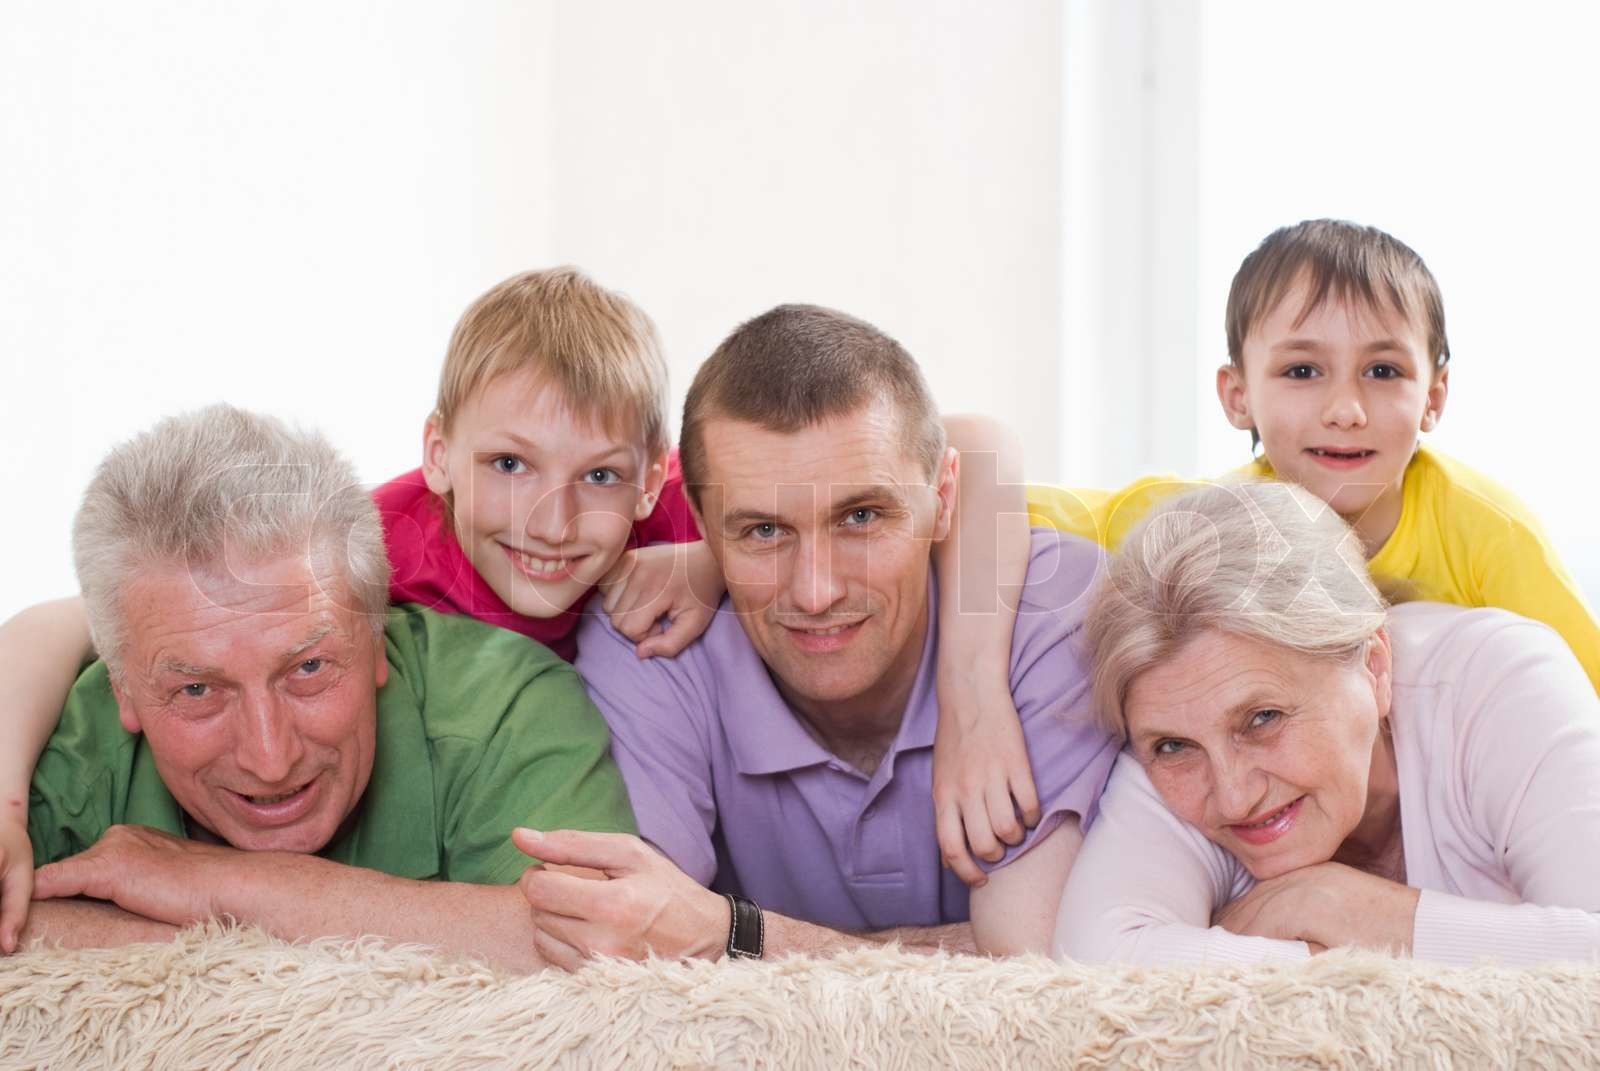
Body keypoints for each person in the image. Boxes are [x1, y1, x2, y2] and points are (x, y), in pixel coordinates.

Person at [0, 267, 1022, 948]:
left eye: (599, 479)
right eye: (506, 464)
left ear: (655, 478)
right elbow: (83, 619)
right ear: (438, 456)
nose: (552, 522)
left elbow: (974, 443)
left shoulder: (688, 525)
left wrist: (720, 557)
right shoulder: (367, 546)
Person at [934, 218, 1600, 883]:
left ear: (1434, 396)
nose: (1346, 408)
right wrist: (973, 701)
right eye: (1302, 369)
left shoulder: (1488, 533)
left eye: (1383, 369)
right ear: (1236, 393)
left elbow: (1577, 712)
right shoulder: (1196, 535)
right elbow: (967, 451)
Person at [513, 304, 1119, 967]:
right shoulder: (649, 640)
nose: (816, 591)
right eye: (763, 530)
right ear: (703, 529)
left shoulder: (1060, 613)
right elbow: (639, 945)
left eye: (861, 516)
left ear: (944, 497)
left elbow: (1041, 967)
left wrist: (732, 933)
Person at [18, 406, 634, 970]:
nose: (270, 758)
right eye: (199, 691)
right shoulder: (61, 746)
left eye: (308, 670)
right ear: (121, 689)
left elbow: (604, 949)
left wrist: (225, 885)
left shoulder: (509, 702)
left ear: (376, 640)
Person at [1053, 480, 1600, 966]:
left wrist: (1341, 906)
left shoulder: (1498, 681)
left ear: (1374, 665)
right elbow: (1098, 960)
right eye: (1173, 747)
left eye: (1263, 719)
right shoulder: (1177, 715)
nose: (1234, 797)